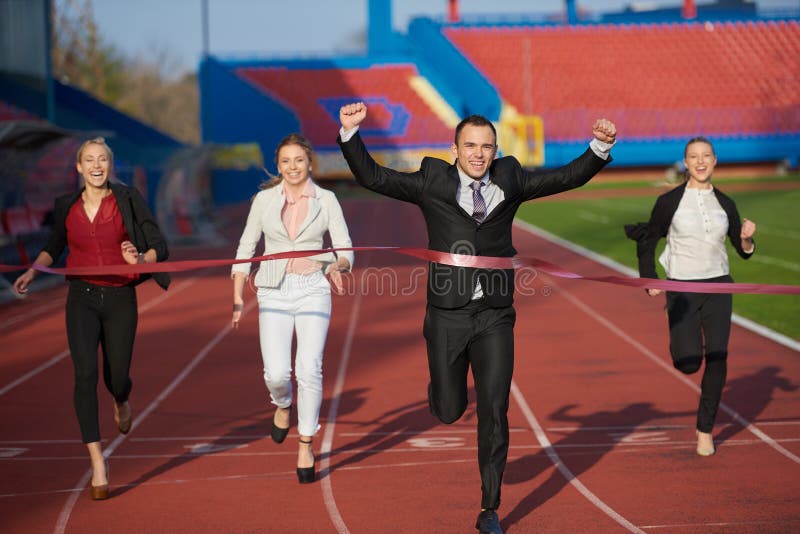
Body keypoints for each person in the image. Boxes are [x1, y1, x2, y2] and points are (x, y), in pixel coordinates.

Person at [337, 102, 616, 534]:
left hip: (495, 316)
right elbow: (374, 177)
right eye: (470, 145)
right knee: (450, 411)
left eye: (486, 146)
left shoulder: (510, 177)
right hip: (447, 314)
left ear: (495, 149)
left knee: (495, 407)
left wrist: (599, 146)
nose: (479, 154)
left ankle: (490, 507)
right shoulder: (431, 180)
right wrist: (351, 134)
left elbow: (564, 177)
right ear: (455, 149)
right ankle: (442, 392)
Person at [13, 137, 170, 500]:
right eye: (89, 160)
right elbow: (54, 246)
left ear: (109, 166)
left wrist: (140, 260)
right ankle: (98, 460)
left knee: (116, 376)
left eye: (103, 160)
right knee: (84, 374)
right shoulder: (66, 205)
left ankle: (121, 397)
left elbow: (157, 244)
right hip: (81, 298)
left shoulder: (128, 199)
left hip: (120, 297)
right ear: (79, 168)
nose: (97, 165)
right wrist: (34, 272)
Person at [231, 133, 353, 484]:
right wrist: (238, 294)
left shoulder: (326, 199)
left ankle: (306, 442)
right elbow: (246, 245)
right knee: (276, 374)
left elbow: (344, 247)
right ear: (278, 164)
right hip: (272, 289)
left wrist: (339, 265)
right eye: (286, 161)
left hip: (313, 287)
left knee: (309, 368)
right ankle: (283, 405)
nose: (293, 167)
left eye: (298, 160)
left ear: (309, 162)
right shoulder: (264, 200)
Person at [627, 136, 756, 457]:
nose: (700, 162)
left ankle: (704, 430)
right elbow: (648, 241)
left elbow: (742, 251)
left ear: (715, 161)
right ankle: (685, 342)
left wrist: (747, 240)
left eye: (706, 156)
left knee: (718, 356)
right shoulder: (669, 201)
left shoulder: (726, 203)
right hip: (682, 289)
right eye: (694, 157)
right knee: (687, 363)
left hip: (719, 287)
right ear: (686, 163)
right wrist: (649, 279)